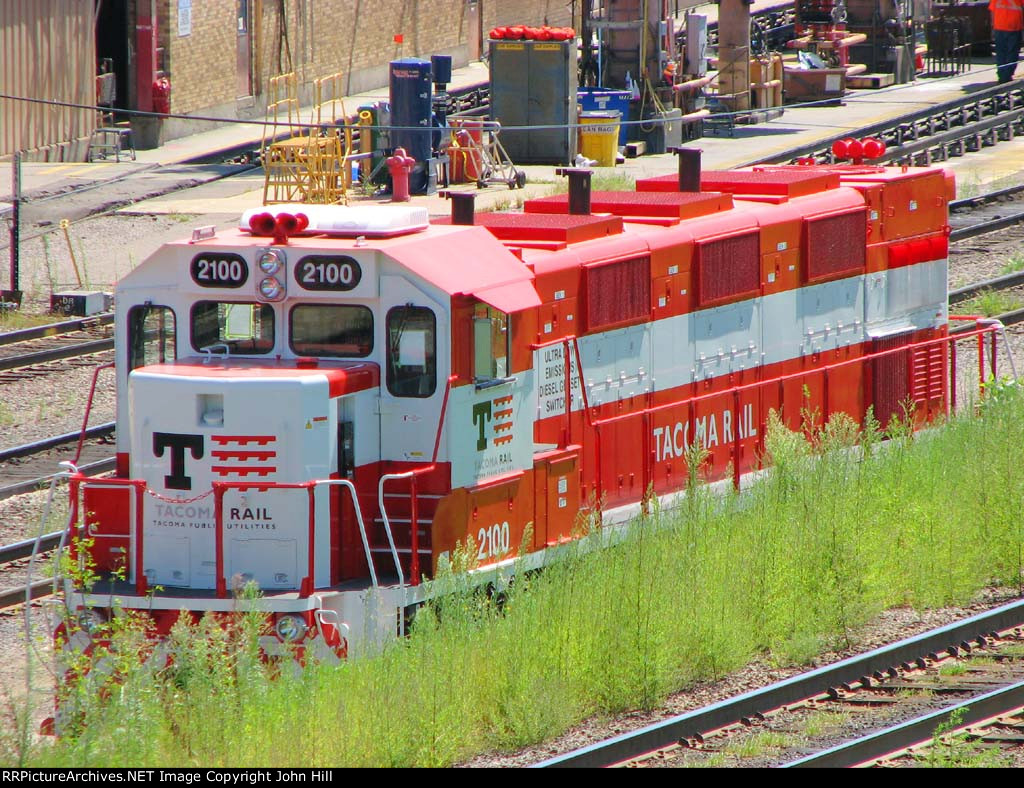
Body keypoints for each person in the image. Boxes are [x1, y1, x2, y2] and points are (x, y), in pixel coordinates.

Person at [991, 0, 1024, 83]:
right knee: (1012, 52)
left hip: (999, 26)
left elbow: (992, 10)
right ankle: (1007, 74)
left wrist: (993, 26)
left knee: (1001, 52)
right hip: (1014, 26)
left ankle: (1002, 75)